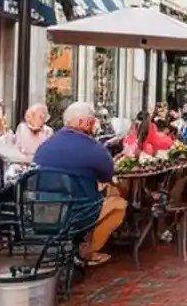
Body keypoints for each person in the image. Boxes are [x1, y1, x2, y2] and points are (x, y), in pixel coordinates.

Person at [33, 101, 121, 265]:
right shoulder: (93, 148)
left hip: (42, 211)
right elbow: (108, 175)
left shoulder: (45, 146)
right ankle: (90, 250)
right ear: (83, 122)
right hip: (78, 213)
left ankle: (77, 246)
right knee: (118, 203)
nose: (94, 123)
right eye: (92, 120)